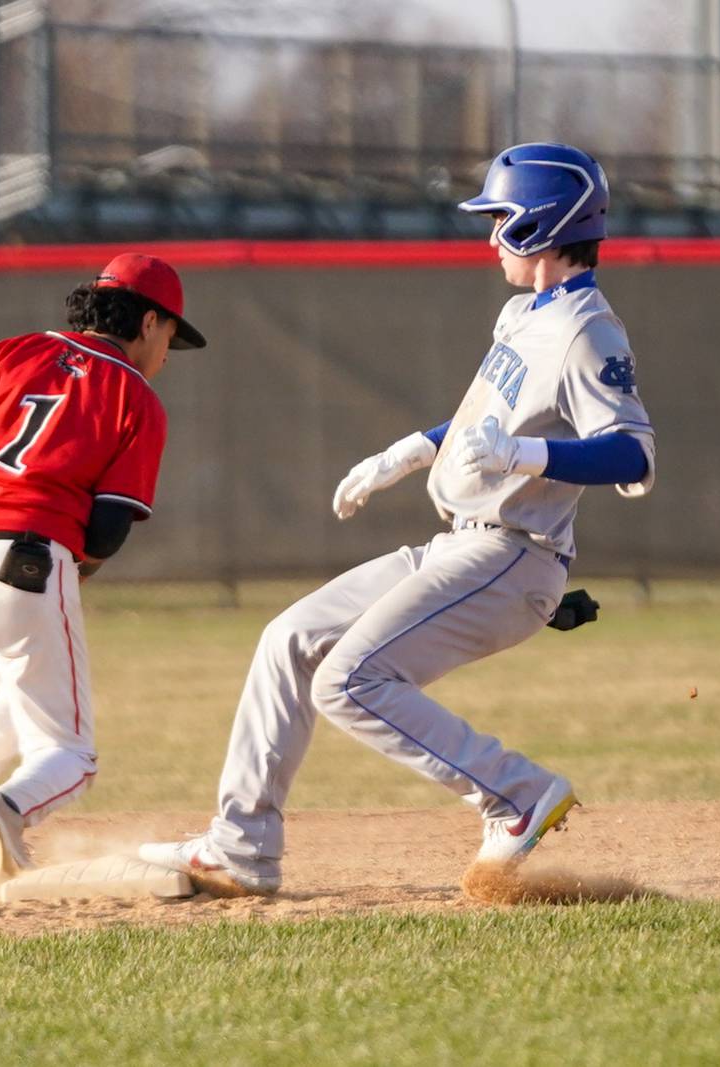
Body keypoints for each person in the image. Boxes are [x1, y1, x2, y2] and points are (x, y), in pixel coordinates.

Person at [139, 143, 655, 896]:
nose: (490, 236)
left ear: (540, 226)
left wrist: (524, 454)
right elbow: (482, 423)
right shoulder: (525, 313)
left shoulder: (588, 331)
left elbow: (631, 453)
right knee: (288, 639)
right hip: (460, 543)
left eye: (501, 218)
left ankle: (516, 794)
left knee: (347, 680)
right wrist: (409, 453)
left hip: (514, 554)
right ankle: (241, 846)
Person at [0, 253, 206, 874]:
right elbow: (106, 529)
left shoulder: (11, 350)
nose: (166, 353)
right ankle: (8, 808)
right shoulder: (136, 396)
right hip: (22, 561)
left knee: (24, 683)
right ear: (151, 321)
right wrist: (72, 564)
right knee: (70, 752)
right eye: (170, 337)